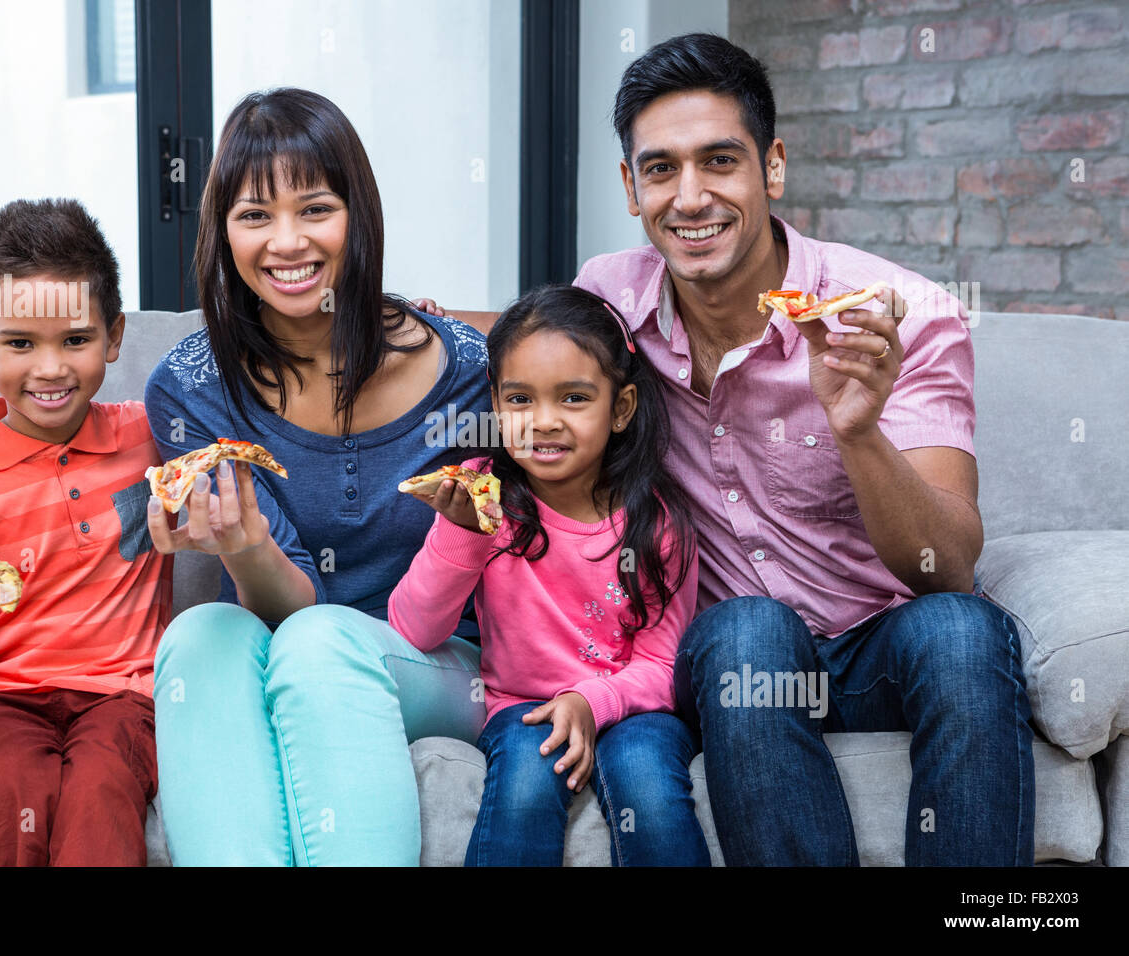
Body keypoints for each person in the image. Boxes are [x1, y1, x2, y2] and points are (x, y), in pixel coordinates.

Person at [573, 33, 1034, 865]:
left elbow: (948, 566)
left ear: (772, 168)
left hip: (878, 646)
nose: (691, 197)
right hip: (734, 660)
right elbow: (509, 354)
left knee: (965, 629)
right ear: (632, 190)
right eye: (661, 169)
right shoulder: (608, 303)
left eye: (720, 161)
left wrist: (857, 429)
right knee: (749, 627)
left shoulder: (904, 315)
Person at [143, 88, 495, 865]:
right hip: (297, 640)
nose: (286, 242)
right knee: (203, 632)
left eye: (315, 208)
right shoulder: (192, 388)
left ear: (357, 215)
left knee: (324, 642)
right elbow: (288, 605)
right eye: (254, 215)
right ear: (223, 232)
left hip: (440, 664)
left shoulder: (465, 370)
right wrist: (243, 545)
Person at [388, 284, 708, 866]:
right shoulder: (485, 496)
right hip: (521, 706)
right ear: (495, 404)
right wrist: (464, 535)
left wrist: (590, 701)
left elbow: (664, 666)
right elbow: (414, 629)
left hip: (634, 712)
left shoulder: (658, 523)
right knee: (524, 788)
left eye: (575, 398)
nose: (544, 422)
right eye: (520, 399)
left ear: (622, 408)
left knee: (648, 784)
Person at [0, 198, 171, 866]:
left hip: (123, 699)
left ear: (114, 335)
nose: (49, 369)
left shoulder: (150, 434)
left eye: (74, 340)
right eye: (20, 343)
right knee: (5, 785)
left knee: (101, 793)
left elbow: (252, 385)